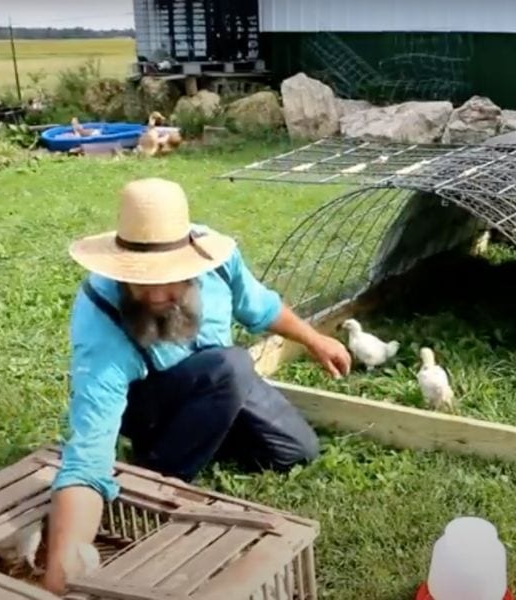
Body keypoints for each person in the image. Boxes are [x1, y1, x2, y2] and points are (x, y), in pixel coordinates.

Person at [43, 177, 352, 594]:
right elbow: (87, 458)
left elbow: (258, 305)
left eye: (169, 279)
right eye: (141, 279)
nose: (156, 295)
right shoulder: (102, 321)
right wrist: (62, 570)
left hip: (216, 381)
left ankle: (204, 427)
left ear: (194, 266)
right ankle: (159, 471)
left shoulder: (219, 262)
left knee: (296, 451)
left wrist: (314, 339)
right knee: (232, 366)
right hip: (152, 403)